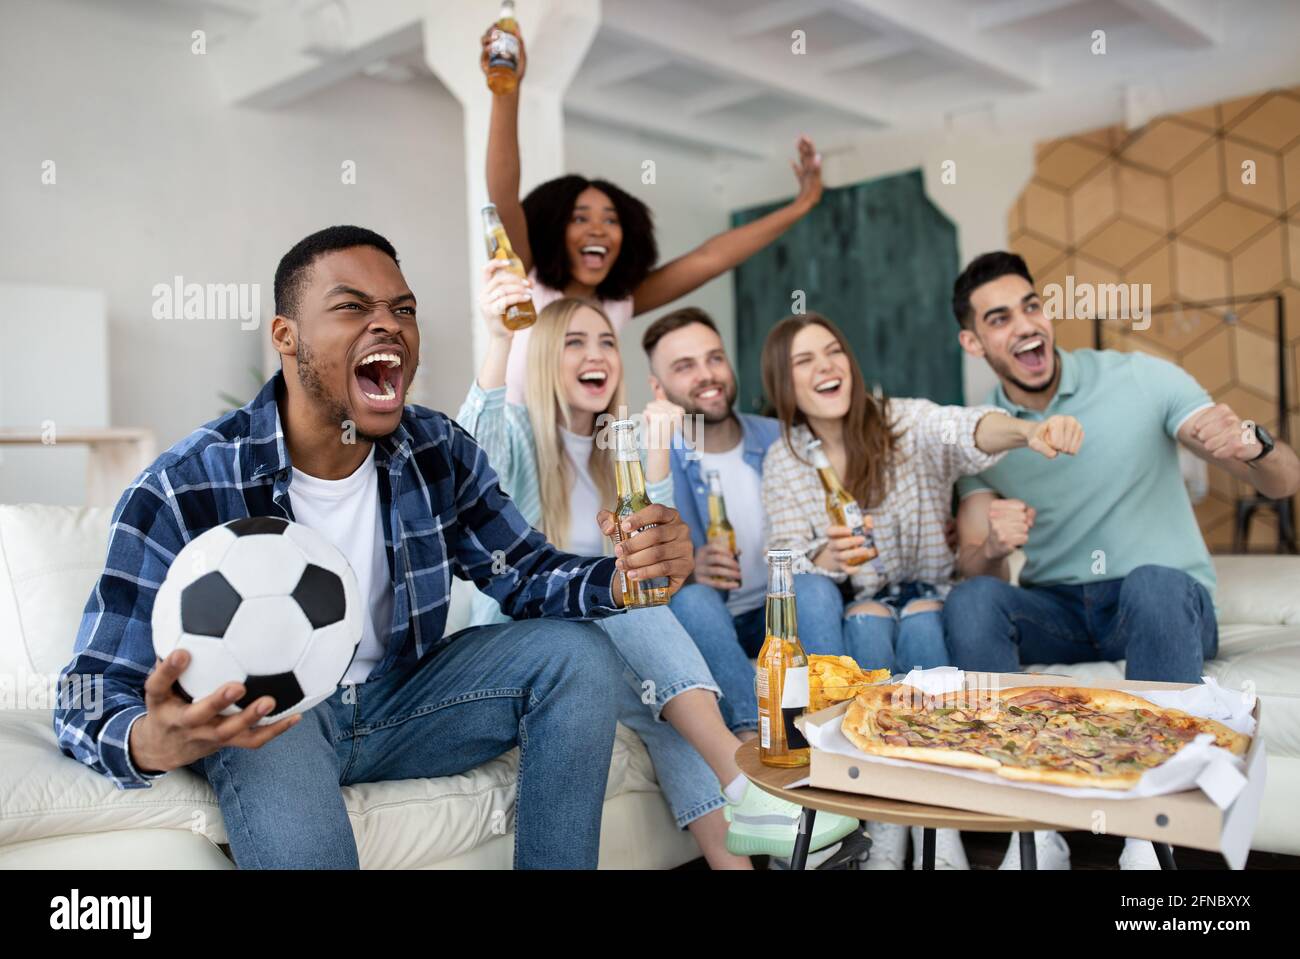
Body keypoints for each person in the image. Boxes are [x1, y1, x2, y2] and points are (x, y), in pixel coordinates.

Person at [53, 226, 697, 870]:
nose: (388, 324)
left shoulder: (434, 448)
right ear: (286, 337)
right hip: (277, 725)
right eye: (353, 307)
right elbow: (89, 687)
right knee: (271, 732)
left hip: (408, 701)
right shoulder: (181, 485)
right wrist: (149, 742)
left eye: (404, 310)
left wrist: (624, 575)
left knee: (574, 653)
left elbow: (524, 572)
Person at [456, 263, 859, 864]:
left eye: (606, 342)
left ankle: (738, 856)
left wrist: (658, 460)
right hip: (516, 637)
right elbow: (467, 461)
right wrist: (498, 339)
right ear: (543, 358)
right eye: (575, 342)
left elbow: (657, 573)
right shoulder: (516, 432)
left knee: (663, 708)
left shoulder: (617, 450)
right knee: (614, 591)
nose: (597, 354)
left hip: (595, 651)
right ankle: (746, 775)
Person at [946, 251, 1300, 869]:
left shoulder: (1140, 379)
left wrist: (1254, 445)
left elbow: (1281, 484)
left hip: (1161, 600)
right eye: (1000, 318)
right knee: (970, 598)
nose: (1025, 325)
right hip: (1060, 608)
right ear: (974, 342)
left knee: (1153, 583)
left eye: (1031, 306)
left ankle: (1150, 831)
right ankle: (1033, 827)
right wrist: (994, 547)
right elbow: (979, 569)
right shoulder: (985, 433)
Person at [759, 311, 1083, 870]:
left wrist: (1027, 431)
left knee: (925, 617)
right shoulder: (785, 458)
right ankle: (888, 815)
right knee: (868, 620)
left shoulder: (902, 422)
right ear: (783, 385)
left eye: (833, 351)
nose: (825, 367)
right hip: (858, 602)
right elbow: (787, 554)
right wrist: (826, 554)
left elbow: (966, 428)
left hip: (930, 589)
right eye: (803, 361)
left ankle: (939, 821)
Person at [481, 23, 824, 403]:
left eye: (611, 220)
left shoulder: (617, 303)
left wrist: (803, 205)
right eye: (580, 218)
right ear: (552, 230)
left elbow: (711, 258)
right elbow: (503, 194)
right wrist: (506, 90)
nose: (598, 230)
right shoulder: (527, 281)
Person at [639, 307, 779, 740]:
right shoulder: (653, 458)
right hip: (705, 620)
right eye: (685, 367)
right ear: (659, 389)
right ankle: (753, 742)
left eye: (714, 358)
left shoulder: (779, 438)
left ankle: (841, 729)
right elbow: (644, 568)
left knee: (814, 591)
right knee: (695, 600)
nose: (707, 374)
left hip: (776, 612)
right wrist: (691, 566)